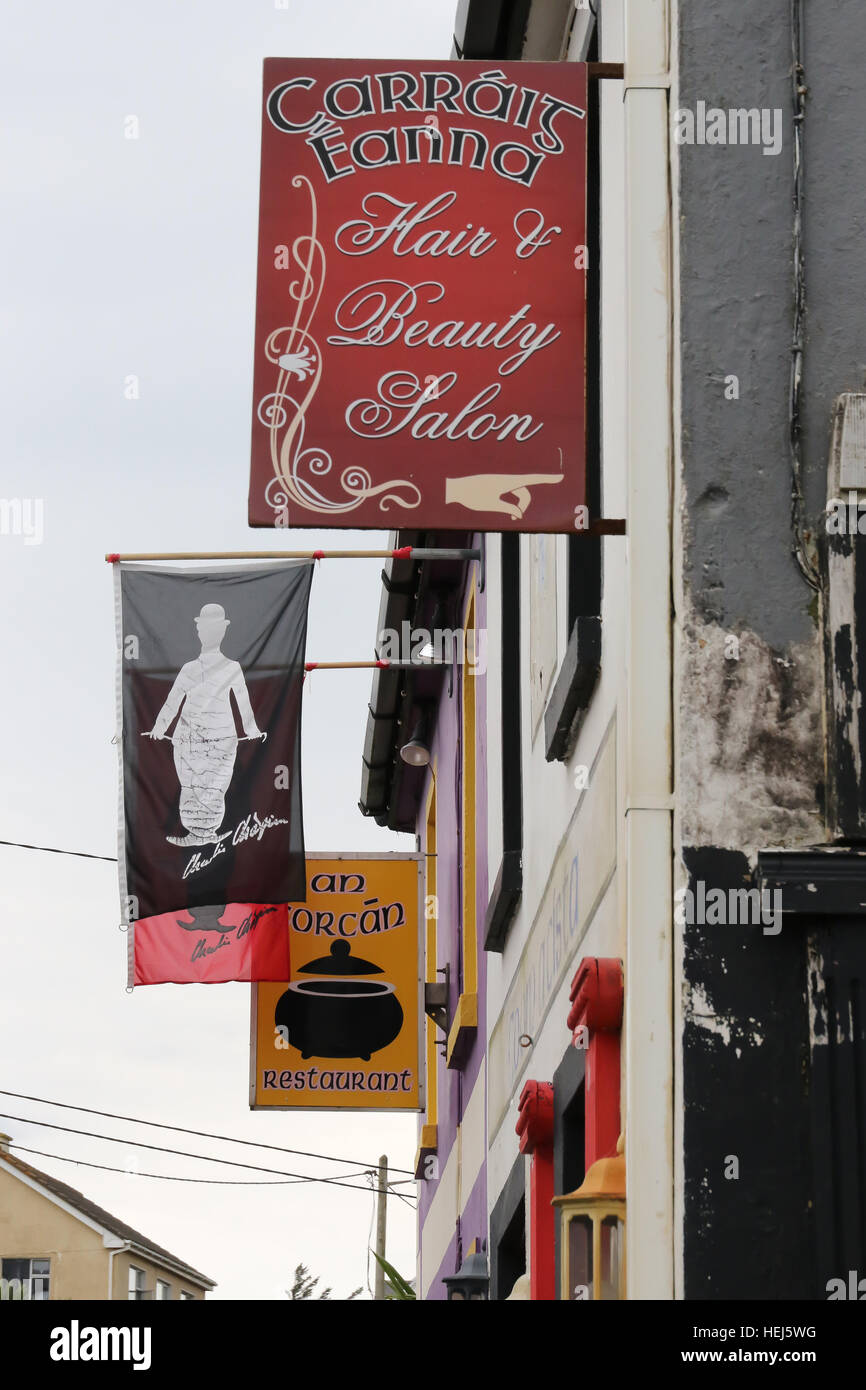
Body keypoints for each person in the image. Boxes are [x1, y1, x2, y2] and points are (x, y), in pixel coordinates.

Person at [143, 603, 266, 847]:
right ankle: (196, 833)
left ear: (220, 632)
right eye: (204, 629)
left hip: (220, 737)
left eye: (211, 629)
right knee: (193, 783)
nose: (206, 633)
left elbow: (243, 702)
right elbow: (173, 701)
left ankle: (207, 831)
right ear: (200, 632)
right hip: (191, 736)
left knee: (216, 783)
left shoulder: (232, 668)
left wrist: (252, 730)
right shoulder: (190, 669)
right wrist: (160, 728)